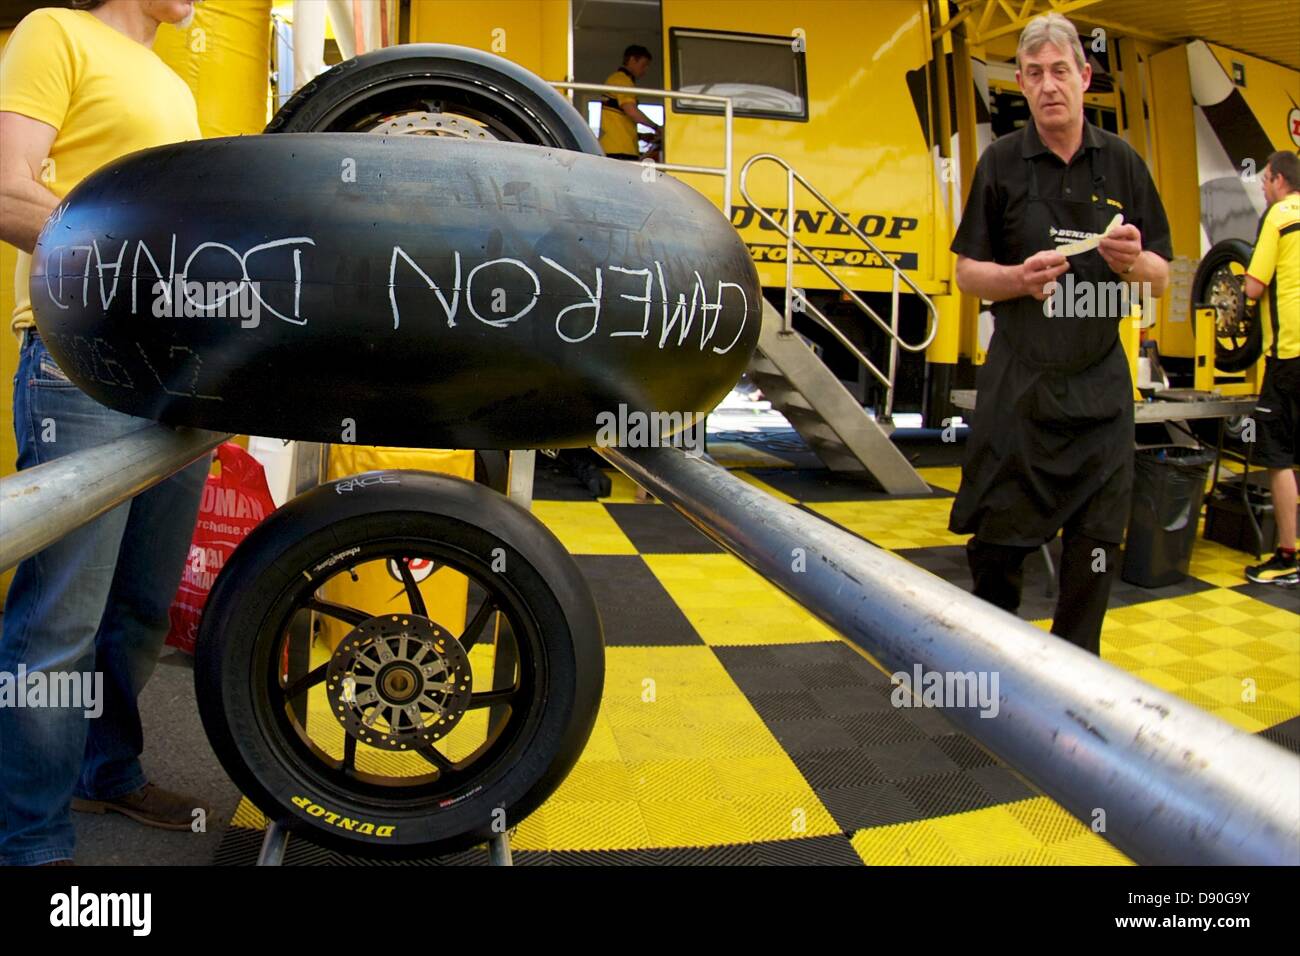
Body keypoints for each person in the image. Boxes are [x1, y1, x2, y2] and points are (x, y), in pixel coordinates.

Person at [0, 0, 211, 866]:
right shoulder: (54, 31)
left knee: (138, 609)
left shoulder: (174, 83)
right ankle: (32, 842)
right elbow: (8, 184)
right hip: (84, 359)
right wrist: (130, 268)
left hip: (175, 373)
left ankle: (108, 771)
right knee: (62, 620)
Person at [947, 13, 1172, 655]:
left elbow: (1161, 275)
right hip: (1019, 388)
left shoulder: (1123, 164)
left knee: (1095, 551)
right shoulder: (1001, 163)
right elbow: (967, 274)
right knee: (995, 546)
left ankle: (1078, 677)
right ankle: (992, 664)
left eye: (1061, 72)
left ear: (1085, 77)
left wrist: (1136, 262)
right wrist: (1017, 279)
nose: (1049, 86)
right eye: (1036, 74)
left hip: (1100, 392)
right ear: (1020, 81)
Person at [1243, 150, 1300, 587]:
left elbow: (1252, 285)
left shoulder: (1278, 216)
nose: (1263, 186)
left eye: (1264, 179)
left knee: (1279, 457)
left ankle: (1286, 554)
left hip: (1288, 356)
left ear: (1279, 179)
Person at [598, 44, 661, 161]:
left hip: (614, 148)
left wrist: (641, 136)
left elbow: (620, 121)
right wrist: (656, 127)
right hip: (620, 150)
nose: (645, 70)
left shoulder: (615, 79)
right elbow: (631, 111)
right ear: (632, 60)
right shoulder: (622, 80)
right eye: (644, 65)